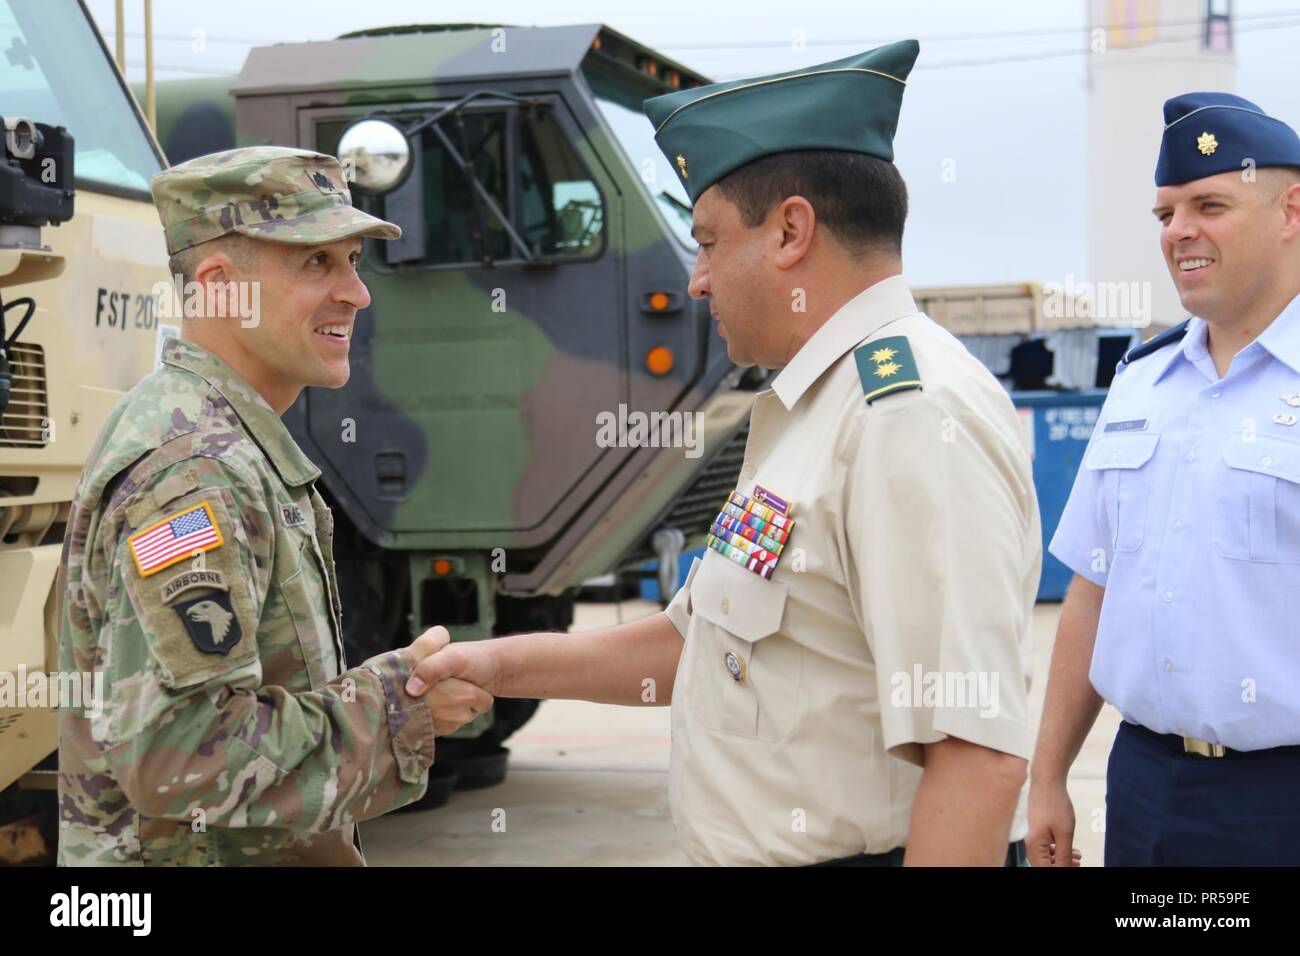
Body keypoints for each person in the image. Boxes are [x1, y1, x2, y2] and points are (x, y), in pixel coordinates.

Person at [407, 42, 1043, 866]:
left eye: (707, 241)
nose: (697, 280)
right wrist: (492, 664)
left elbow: (976, 757)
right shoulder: (814, 405)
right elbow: (695, 645)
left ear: (790, 232)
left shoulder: (906, 414)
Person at [56, 146, 490, 866]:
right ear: (222, 288)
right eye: (317, 263)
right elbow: (183, 758)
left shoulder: (220, 440)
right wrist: (398, 707)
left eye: (353, 261)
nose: (357, 293)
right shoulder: (195, 470)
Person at [1029, 93, 1300, 866]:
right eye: (1165, 214)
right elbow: (1093, 586)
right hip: (1145, 786)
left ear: (1291, 211)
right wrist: (1049, 775)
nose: (1179, 231)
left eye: (1209, 205)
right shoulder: (1141, 382)